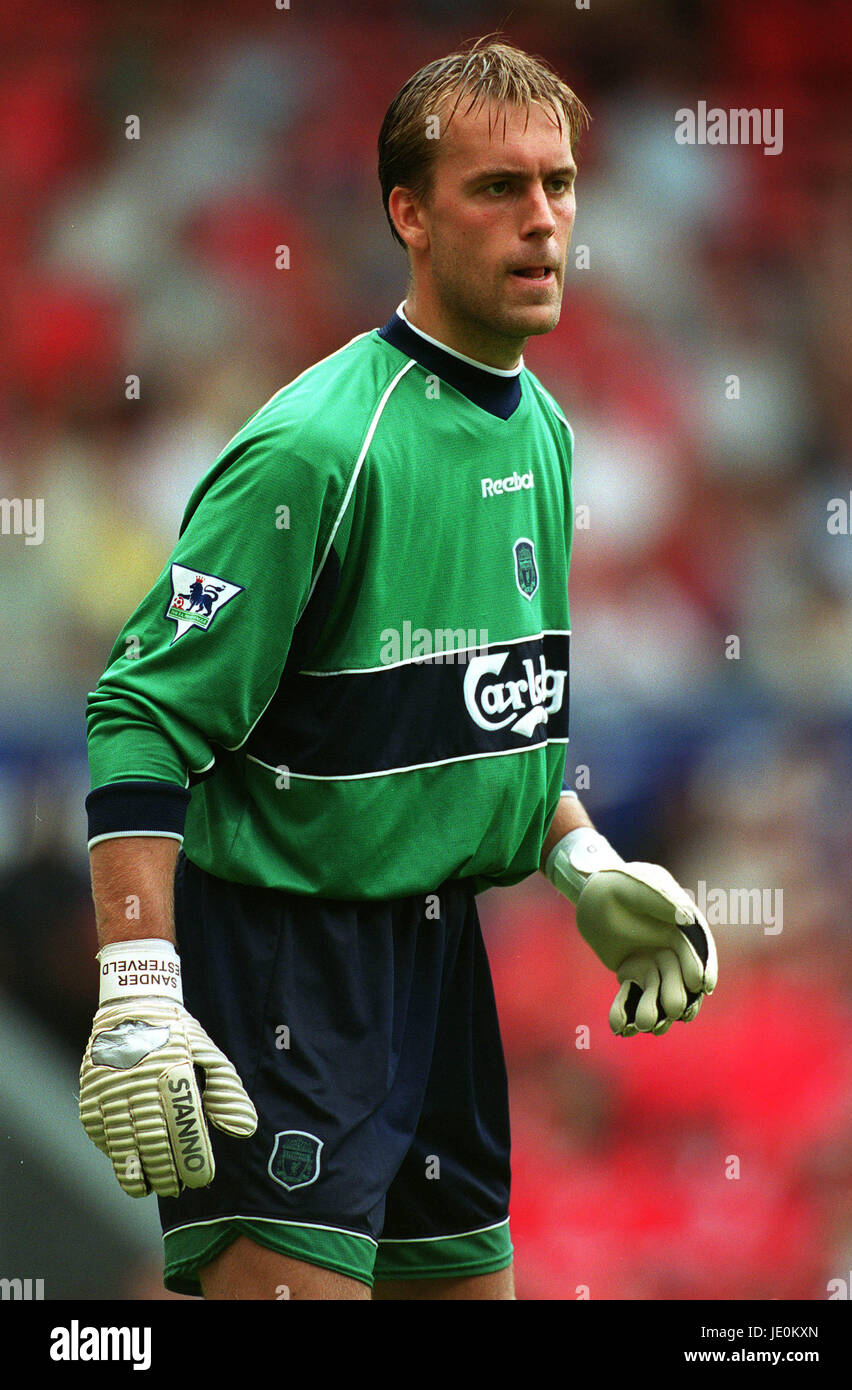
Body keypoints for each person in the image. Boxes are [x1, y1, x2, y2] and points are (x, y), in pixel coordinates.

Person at [79, 37, 716, 1302]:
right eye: (497, 188)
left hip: (437, 960)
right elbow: (141, 715)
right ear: (408, 216)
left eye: (560, 184)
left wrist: (581, 858)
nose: (542, 221)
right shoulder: (314, 446)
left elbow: (482, 719)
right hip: (280, 963)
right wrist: (140, 988)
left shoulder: (541, 430)